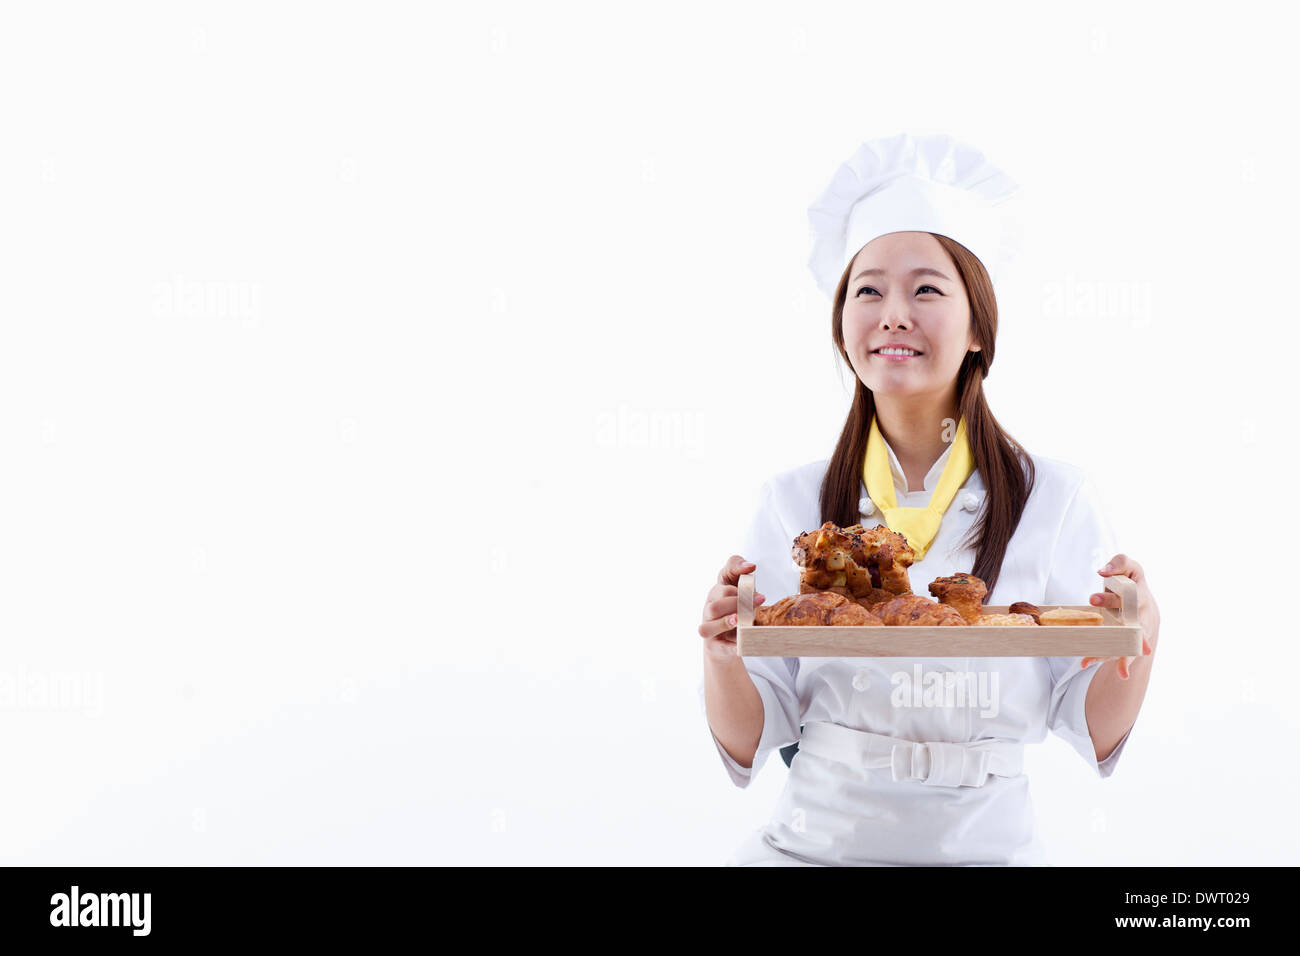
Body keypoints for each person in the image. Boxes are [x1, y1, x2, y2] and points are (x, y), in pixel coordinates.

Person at [697, 133, 1160, 866]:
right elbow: (750, 740)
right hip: (815, 846)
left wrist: (1138, 642)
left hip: (992, 849)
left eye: (927, 289)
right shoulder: (793, 502)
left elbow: (1091, 729)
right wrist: (724, 658)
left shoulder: (1057, 497)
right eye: (868, 289)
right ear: (842, 323)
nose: (893, 313)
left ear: (979, 327)